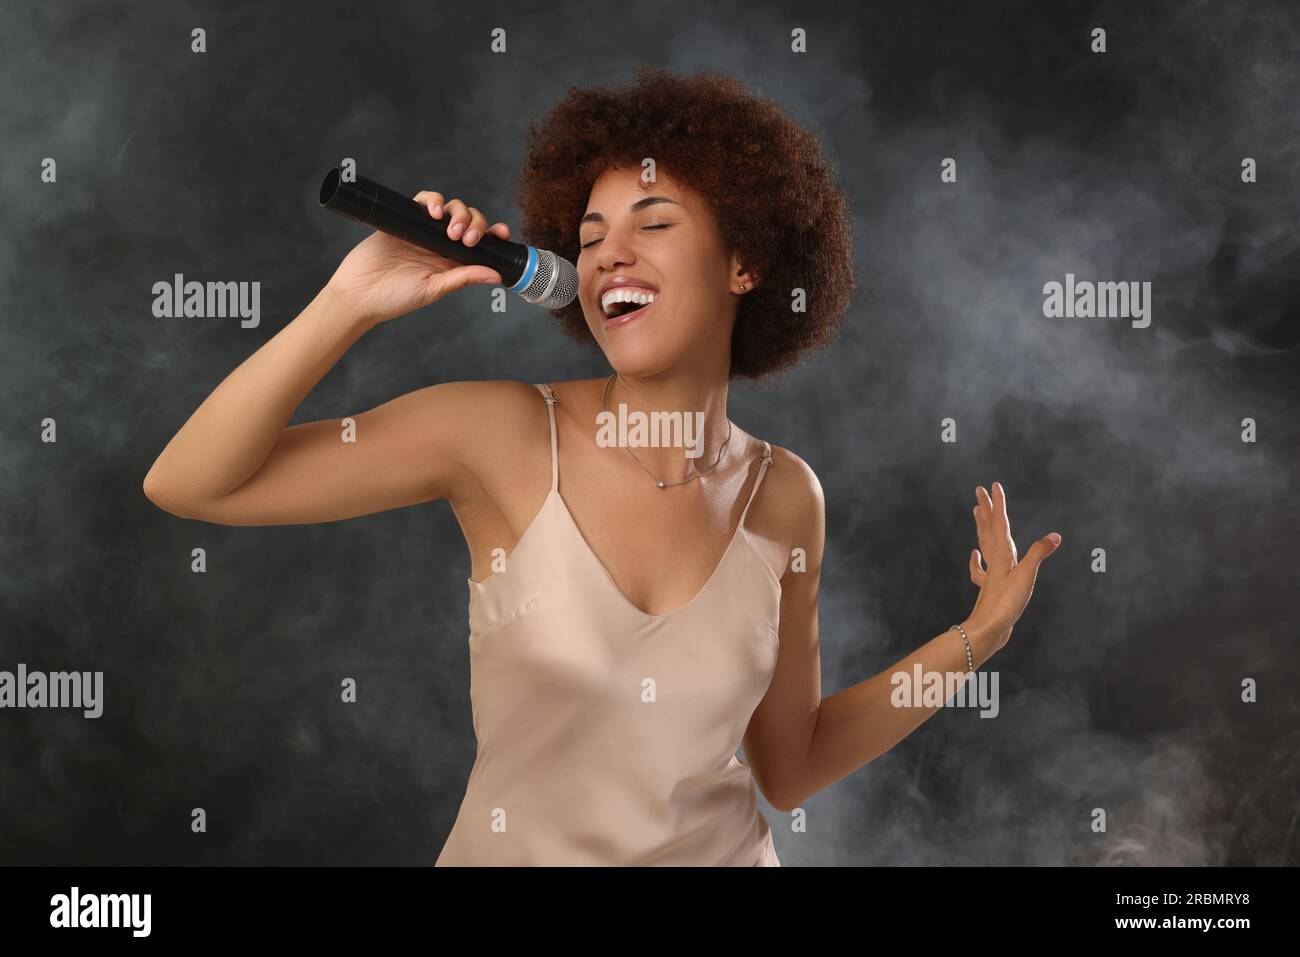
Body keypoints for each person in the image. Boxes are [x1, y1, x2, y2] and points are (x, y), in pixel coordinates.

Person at [142, 67, 1061, 866]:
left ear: (745, 262)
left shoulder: (785, 494)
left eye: (653, 223)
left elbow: (791, 765)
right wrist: (349, 303)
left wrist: (977, 636)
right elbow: (191, 481)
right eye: (587, 237)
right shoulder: (497, 434)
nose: (609, 253)